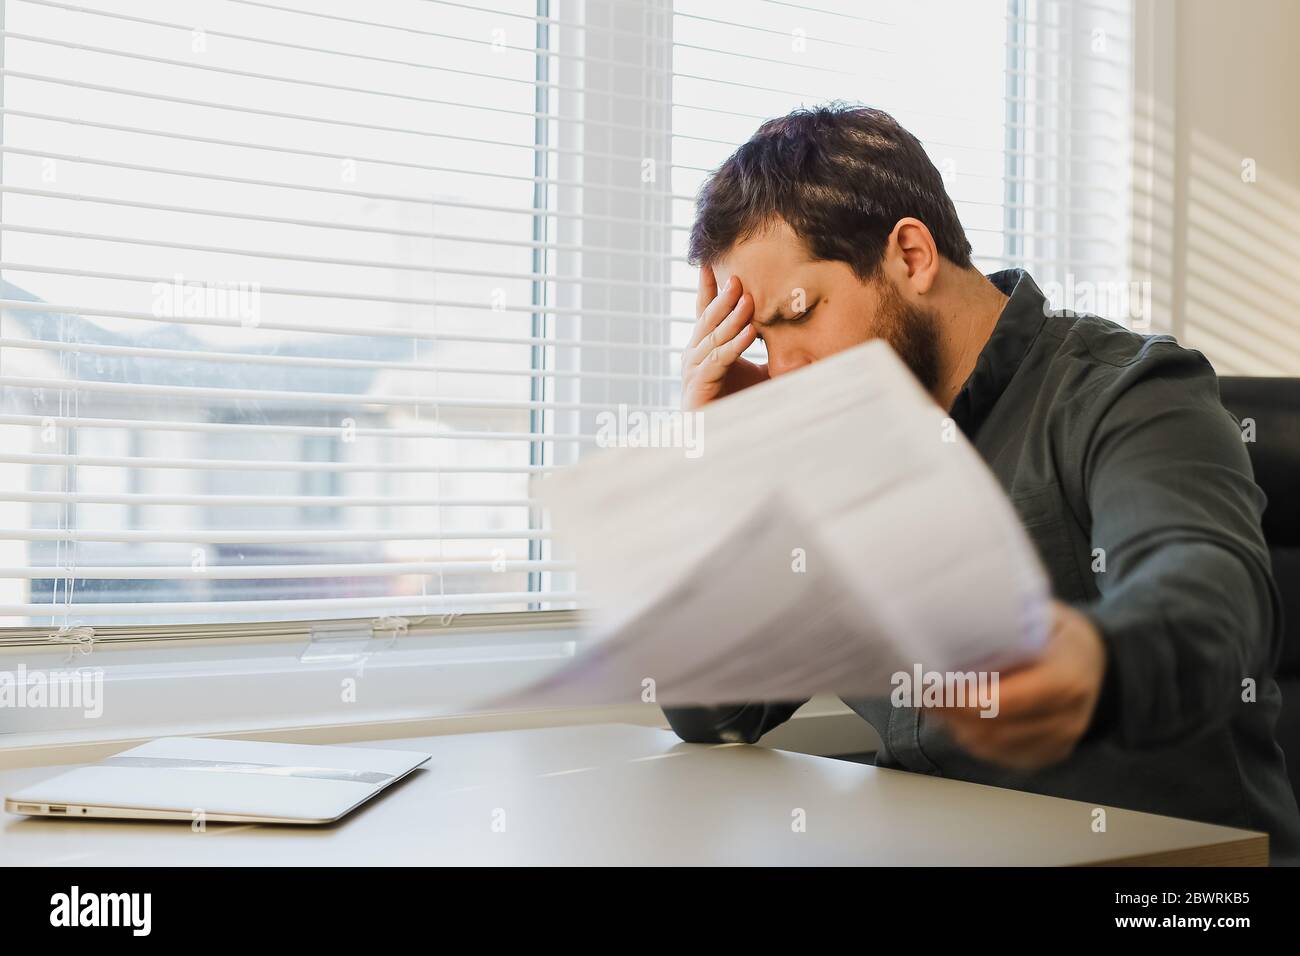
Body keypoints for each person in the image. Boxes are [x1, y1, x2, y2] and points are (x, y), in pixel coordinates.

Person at [664, 103, 1300, 865]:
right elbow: (713, 714)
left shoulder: (1127, 392)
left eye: (799, 312)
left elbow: (1210, 600)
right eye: (762, 339)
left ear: (910, 253)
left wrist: (1097, 664)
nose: (786, 368)